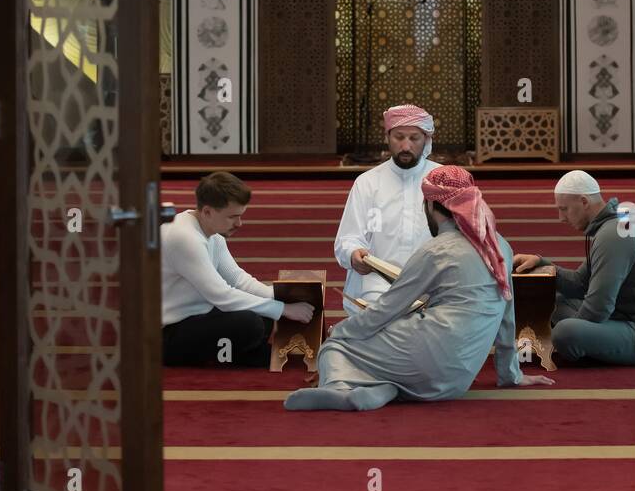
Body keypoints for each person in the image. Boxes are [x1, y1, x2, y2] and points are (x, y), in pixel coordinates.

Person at [286, 165, 554, 412]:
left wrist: (341, 331)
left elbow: (388, 308)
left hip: (425, 354)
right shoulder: (500, 247)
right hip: (457, 381)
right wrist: (511, 375)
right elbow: (507, 319)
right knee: (390, 356)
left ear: (431, 204)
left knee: (338, 345)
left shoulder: (436, 250)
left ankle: (339, 387)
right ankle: (384, 390)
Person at [161, 170, 314, 367]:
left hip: (199, 314)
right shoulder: (185, 238)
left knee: (261, 315)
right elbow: (223, 296)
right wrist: (283, 309)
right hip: (169, 334)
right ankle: (247, 356)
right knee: (250, 324)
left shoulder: (211, 230)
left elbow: (238, 279)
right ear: (207, 211)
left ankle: (245, 352)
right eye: (232, 217)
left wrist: (280, 295)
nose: (239, 224)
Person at [512, 169, 635, 366]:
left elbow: (598, 308)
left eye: (564, 209)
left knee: (566, 332)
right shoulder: (609, 227)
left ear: (584, 202)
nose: (561, 218)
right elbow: (581, 284)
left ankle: (580, 346)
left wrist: (554, 337)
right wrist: (542, 264)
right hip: (619, 316)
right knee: (553, 302)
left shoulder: (612, 235)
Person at [334, 103, 441, 315]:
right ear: (387, 137)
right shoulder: (367, 183)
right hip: (378, 287)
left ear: (426, 140)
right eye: (399, 137)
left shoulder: (443, 180)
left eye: (414, 138)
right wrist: (354, 255)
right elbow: (347, 239)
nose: (405, 146)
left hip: (433, 286)